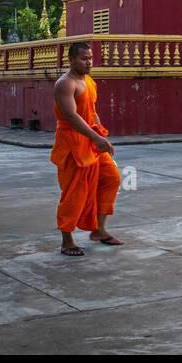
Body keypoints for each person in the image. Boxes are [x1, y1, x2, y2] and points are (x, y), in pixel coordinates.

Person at [52, 41, 122, 256]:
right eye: (84, 58)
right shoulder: (65, 84)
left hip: (91, 140)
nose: (89, 62)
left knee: (111, 178)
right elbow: (72, 117)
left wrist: (99, 133)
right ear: (71, 60)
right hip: (73, 143)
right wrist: (95, 137)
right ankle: (67, 239)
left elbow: (90, 111)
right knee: (75, 191)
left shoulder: (89, 81)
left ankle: (99, 230)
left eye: (91, 58)